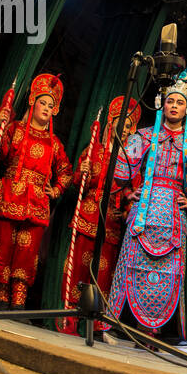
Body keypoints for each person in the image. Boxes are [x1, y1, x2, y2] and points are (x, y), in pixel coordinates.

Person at [101, 70, 187, 347]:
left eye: (179, 102)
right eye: (170, 101)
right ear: (161, 105)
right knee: (130, 267)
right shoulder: (143, 136)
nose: (174, 106)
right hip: (144, 211)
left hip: (173, 219)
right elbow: (120, 170)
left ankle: (155, 333)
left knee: (167, 275)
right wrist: (130, 192)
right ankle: (116, 326)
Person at [57, 95, 141, 335]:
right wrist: (81, 172)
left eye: (128, 125)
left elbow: (133, 192)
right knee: (78, 270)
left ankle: (97, 324)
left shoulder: (132, 160)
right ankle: (70, 318)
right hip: (88, 214)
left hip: (111, 222)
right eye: (121, 122)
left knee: (104, 275)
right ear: (111, 122)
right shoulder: (94, 149)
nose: (124, 129)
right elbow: (77, 182)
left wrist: (127, 209)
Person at [0, 73, 73, 310]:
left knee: (26, 256)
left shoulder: (55, 143)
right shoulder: (15, 129)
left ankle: (18, 305)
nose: (46, 108)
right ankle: (1, 301)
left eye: (51, 105)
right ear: (33, 103)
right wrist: (1, 126)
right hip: (9, 196)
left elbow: (66, 172)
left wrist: (55, 190)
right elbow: (0, 154)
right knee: (3, 249)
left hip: (36, 203)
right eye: (43, 103)